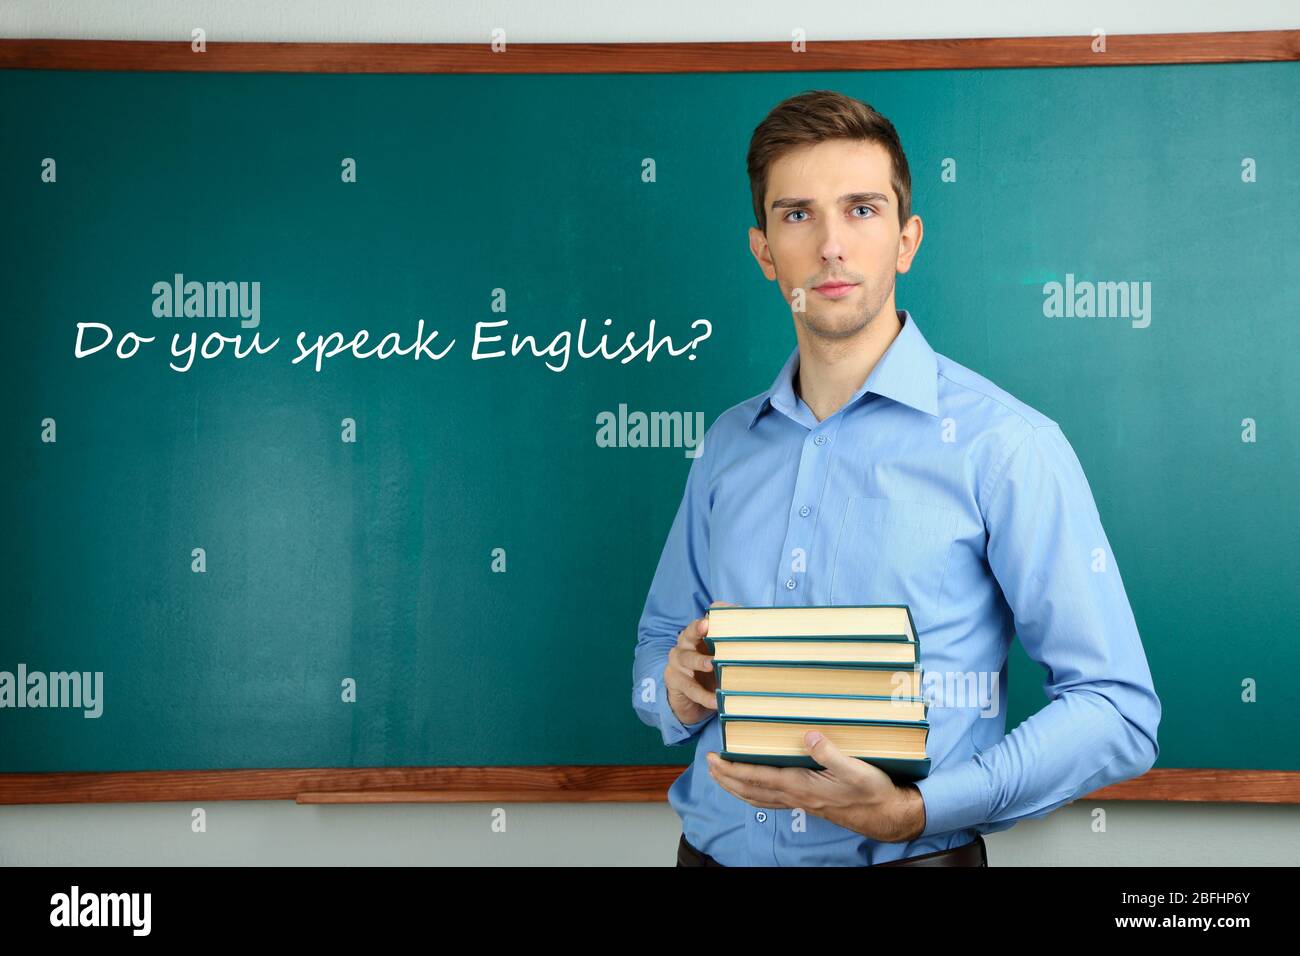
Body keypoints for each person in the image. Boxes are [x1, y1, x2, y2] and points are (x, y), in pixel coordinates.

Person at [632, 89, 1161, 867]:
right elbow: (653, 654)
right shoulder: (726, 447)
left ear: (906, 240)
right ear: (764, 251)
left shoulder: (1006, 445)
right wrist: (674, 689)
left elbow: (1116, 711)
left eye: (862, 210)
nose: (832, 247)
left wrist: (918, 810)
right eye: (798, 215)